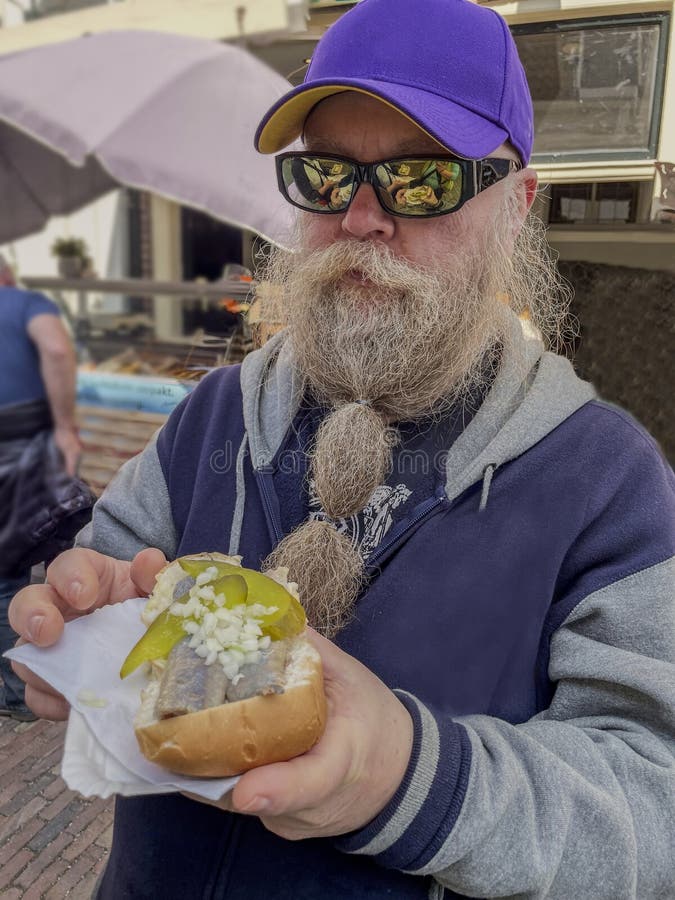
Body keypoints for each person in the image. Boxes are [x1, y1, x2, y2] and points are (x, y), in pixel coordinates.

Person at [9, 1, 675, 897]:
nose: (362, 217)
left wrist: (408, 776)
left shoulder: (605, 482)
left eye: (423, 180)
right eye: (326, 177)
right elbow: (96, 594)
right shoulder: (210, 418)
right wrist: (63, 625)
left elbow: (651, 801)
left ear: (515, 207)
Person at [0, 253, 82, 721]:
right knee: (65, 553)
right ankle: (65, 667)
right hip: (33, 438)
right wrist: (65, 425)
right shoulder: (25, 301)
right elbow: (55, 349)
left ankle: (20, 689)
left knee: (6, 575)